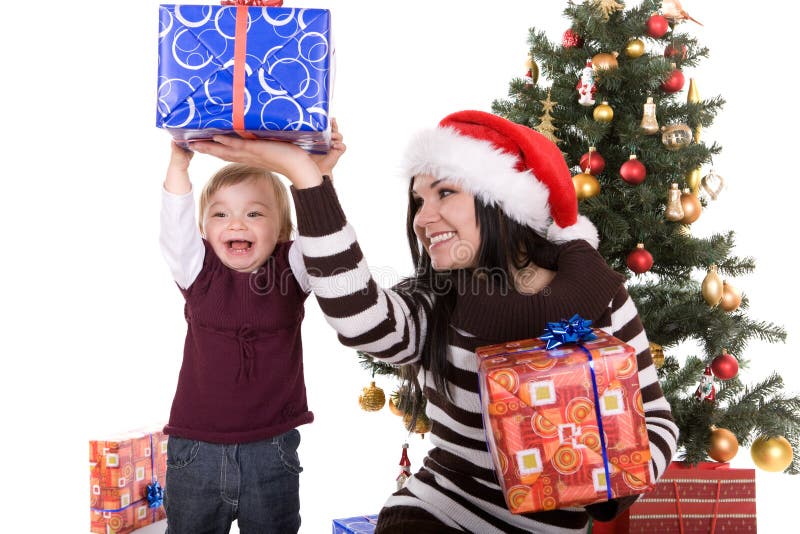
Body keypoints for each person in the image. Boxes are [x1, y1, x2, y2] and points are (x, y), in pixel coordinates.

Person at [190, 111, 679, 533]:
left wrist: (616, 479)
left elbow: (656, 420)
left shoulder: (601, 297)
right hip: (437, 514)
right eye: (419, 200)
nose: (424, 218)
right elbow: (359, 320)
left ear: (503, 202)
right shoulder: (437, 297)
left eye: (445, 192)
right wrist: (307, 179)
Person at [159, 136, 342, 533]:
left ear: (282, 230)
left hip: (272, 450)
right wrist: (178, 167)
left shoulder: (292, 270)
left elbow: (321, 237)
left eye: (255, 214)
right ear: (204, 230)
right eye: (221, 214)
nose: (237, 224)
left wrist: (319, 175)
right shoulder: (198, 271)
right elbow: (175, 231)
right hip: (195, 451)